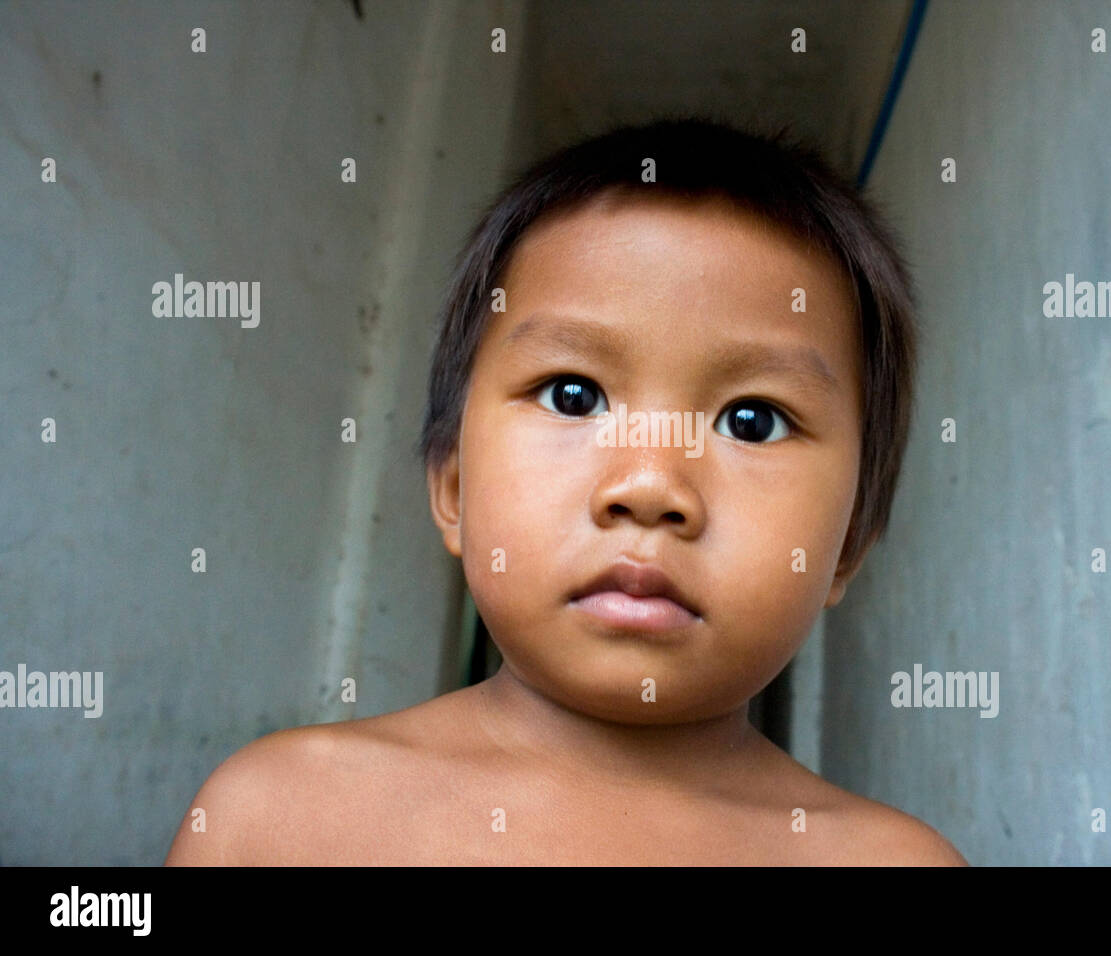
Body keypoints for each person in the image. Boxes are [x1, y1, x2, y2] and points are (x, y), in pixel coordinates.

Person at [165, 116, 967, 865]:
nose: (650, 486)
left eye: (752, 421)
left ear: (847, 545)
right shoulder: (279, 817)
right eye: (573, 396)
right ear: (453, 486)